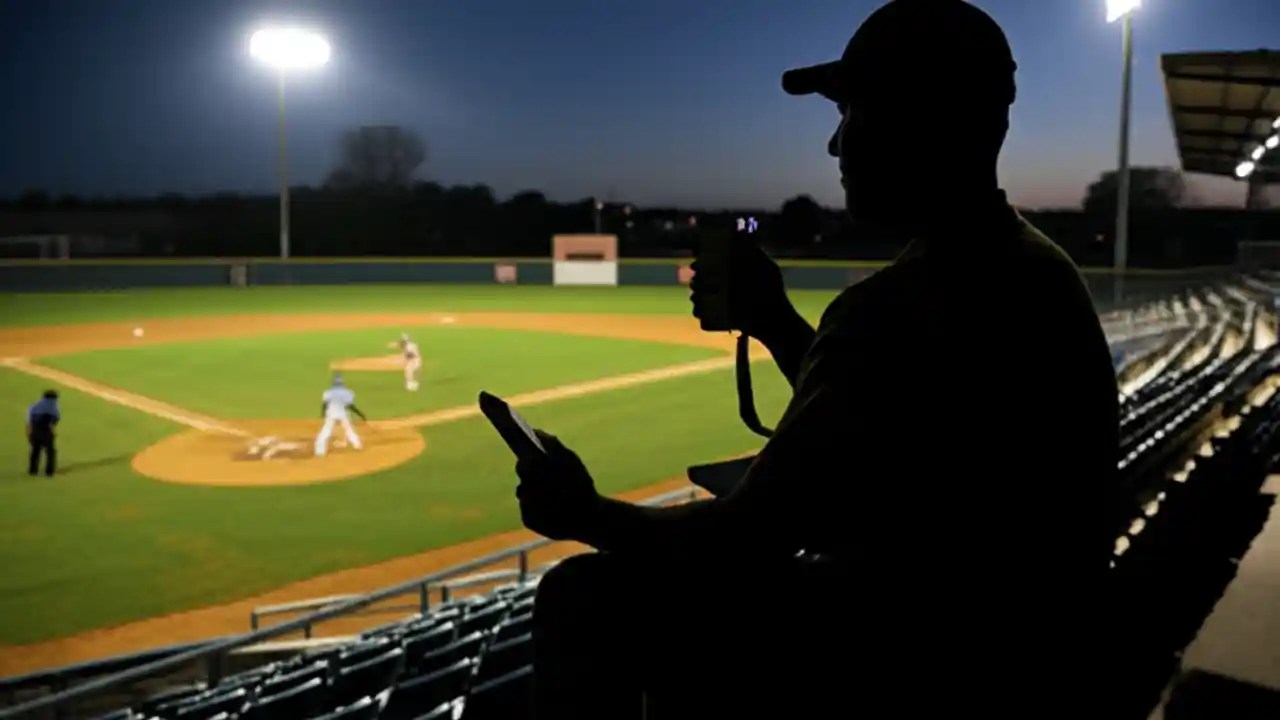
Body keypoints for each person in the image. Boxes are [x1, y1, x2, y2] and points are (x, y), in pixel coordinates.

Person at [514, 1, 1120, 718]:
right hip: (1036, 653)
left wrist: (584, 512)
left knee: (585, 594)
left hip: (937, 666)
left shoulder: (900, 303)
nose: (836, 146)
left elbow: (742, 544)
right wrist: (772, 321)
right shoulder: (1031, 267)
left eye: (851, 111)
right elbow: (892, 430)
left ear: (916, 119)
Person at [314, 373, 366, 457]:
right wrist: (360, 414)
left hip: (331, 413)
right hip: (342, 413)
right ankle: (357, 445)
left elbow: (325, 405)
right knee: (349, 429)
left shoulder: (328, 393)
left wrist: (323, 414)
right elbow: (350, 406)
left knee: (326, 431)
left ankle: (320, 451)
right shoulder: (347, 392)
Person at [27, 389, 61, 477]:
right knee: (50, 452)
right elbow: (55, 419)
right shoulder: (52, 407)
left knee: (35, 451)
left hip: (34, 431)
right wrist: (52, 431)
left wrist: (30, 432)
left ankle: (32, 470)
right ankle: (49, 472)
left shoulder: (35, 406)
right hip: (46, 432)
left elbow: (29, 419)